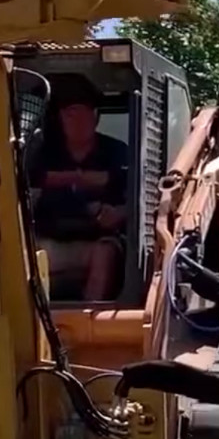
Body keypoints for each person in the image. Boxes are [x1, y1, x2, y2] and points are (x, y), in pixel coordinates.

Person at [27, 75, 131, 300]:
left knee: (105, 254)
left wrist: (118, 213)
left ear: (96, 116)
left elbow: (139, 201)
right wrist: (78, 179)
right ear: (59, 118)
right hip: (51, 240)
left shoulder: (118, 152)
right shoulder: (43, 155)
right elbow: (30, 184)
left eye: (86, 112)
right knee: (21, 254)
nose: (79, 120)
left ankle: (90, 321)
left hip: (99, 240)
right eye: (71, 114)